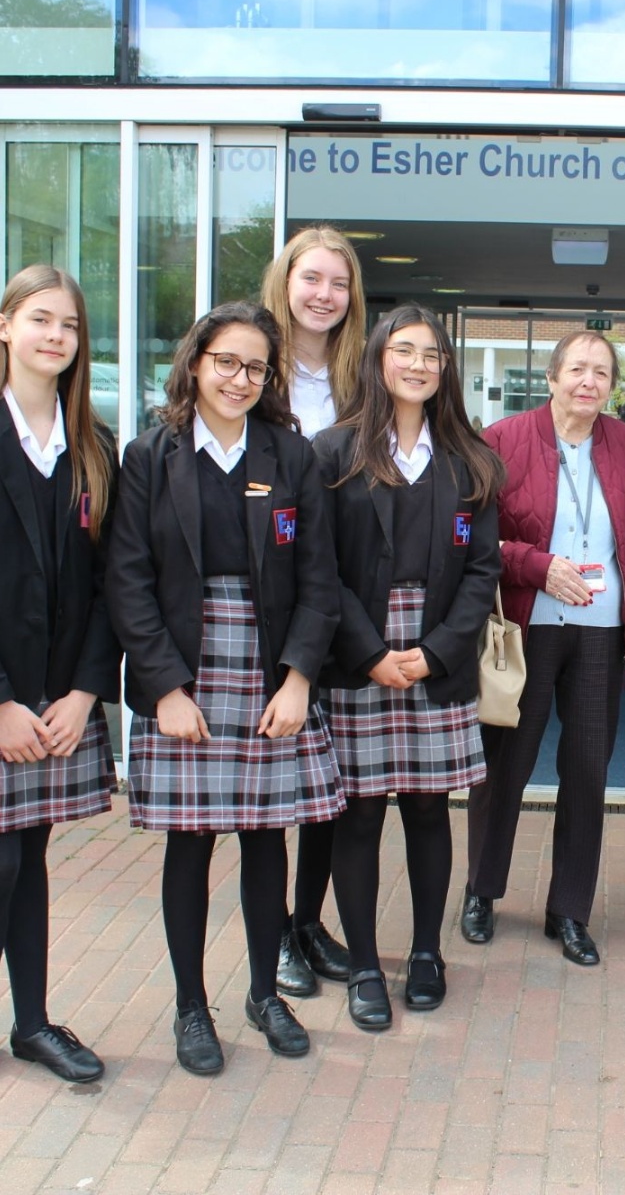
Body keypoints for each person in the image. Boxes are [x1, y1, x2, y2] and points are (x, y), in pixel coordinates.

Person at [108, 302, 344, 1076]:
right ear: (196, 362)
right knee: (191, 842)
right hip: (187, 664)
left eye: (256, 368)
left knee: (266, 835)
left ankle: (264, 993)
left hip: (269, 664)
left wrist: (301, 675)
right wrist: (166, 687)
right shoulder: (151, 455)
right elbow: (129, 581)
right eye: (227, 363)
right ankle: (189, 1006)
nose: (240, 380)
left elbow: (319, 575)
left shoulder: (290, 455)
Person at [315, 304, 502, 1023]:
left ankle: (427, 951)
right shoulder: (334, 452)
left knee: (429, 810)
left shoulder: (470, 459)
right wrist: (369, 654)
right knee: (359, 816)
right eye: (404, 350)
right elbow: (319, 567)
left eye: (432, 353)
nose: (419, 364)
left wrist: (435, 652)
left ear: (445, 368)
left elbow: (483, 570)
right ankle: (365, 966)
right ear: (378, 359)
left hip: (438, 652)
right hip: (360, 649)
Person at [463, 331, 625, 965]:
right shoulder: (504, 441)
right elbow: (476, 542)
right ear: (551, 376)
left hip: (601, 629)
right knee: (504, 765)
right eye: (577, 369)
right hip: (526, 626)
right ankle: (482, 891)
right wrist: (538, 566)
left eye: (601, 372)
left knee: (588, 772)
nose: (588, 381)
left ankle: (569, 910)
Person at [0, 265, 118, 1083]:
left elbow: (115, 582)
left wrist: (82, 690)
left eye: (70, 326)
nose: (55, 337)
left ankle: (33, 1024)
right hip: (5, 697)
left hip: (59, 694)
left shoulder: (92, 448)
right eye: (40, 319)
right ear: (5, 326)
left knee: (28, 856)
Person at [261, 225, 365, 997]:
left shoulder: (360, 375)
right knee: (270, 786)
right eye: (312, 278)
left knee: (330, 785)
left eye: (339, 283)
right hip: (269, 594)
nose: (324, 295)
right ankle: (274, 937)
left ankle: (308, 921)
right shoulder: (249, 362)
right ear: (286, 280)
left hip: (338, 593)